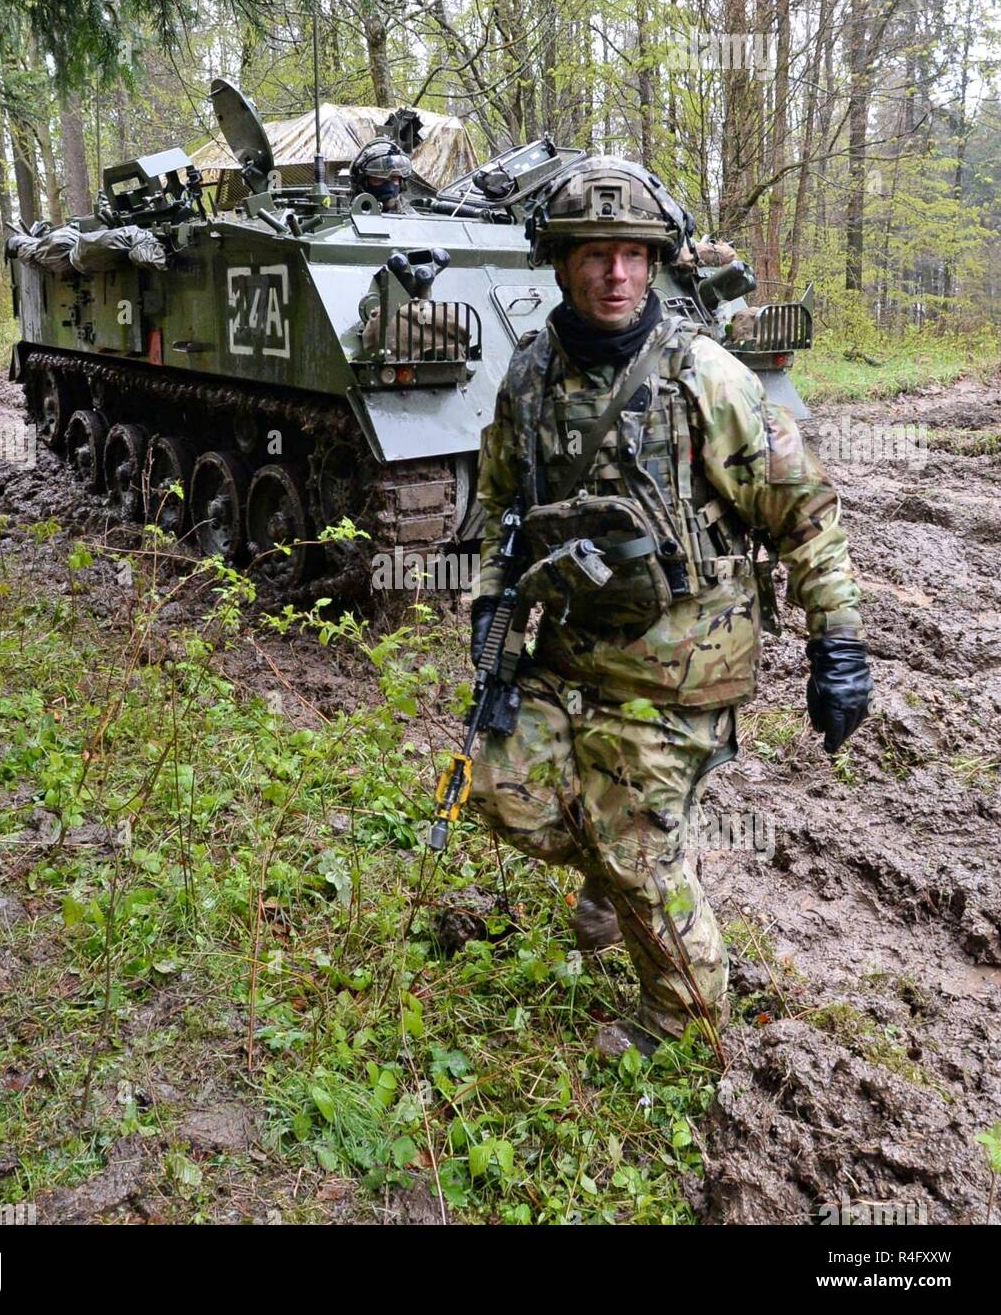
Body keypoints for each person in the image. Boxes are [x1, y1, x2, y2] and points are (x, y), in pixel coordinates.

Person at [468, 157, 873, 1058]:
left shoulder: (706, 379)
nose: (615, 273)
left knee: (634, 845)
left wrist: (836, 643)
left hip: (683, 664)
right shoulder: (529, 377)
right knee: (496, 790)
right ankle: (623, 867)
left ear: (655, 264)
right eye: (594, 255)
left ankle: (683, 1020)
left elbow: (803, 514)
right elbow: (497, 507)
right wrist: (487, 611)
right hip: (571, 648)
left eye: (633, 255)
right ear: (560, 263)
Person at [349, 138, 414, 213]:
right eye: (380, 179)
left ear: (402, 182)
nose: (390, 188)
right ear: (363, 183)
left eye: (394, 178)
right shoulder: (349, 215)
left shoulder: (412, 217)